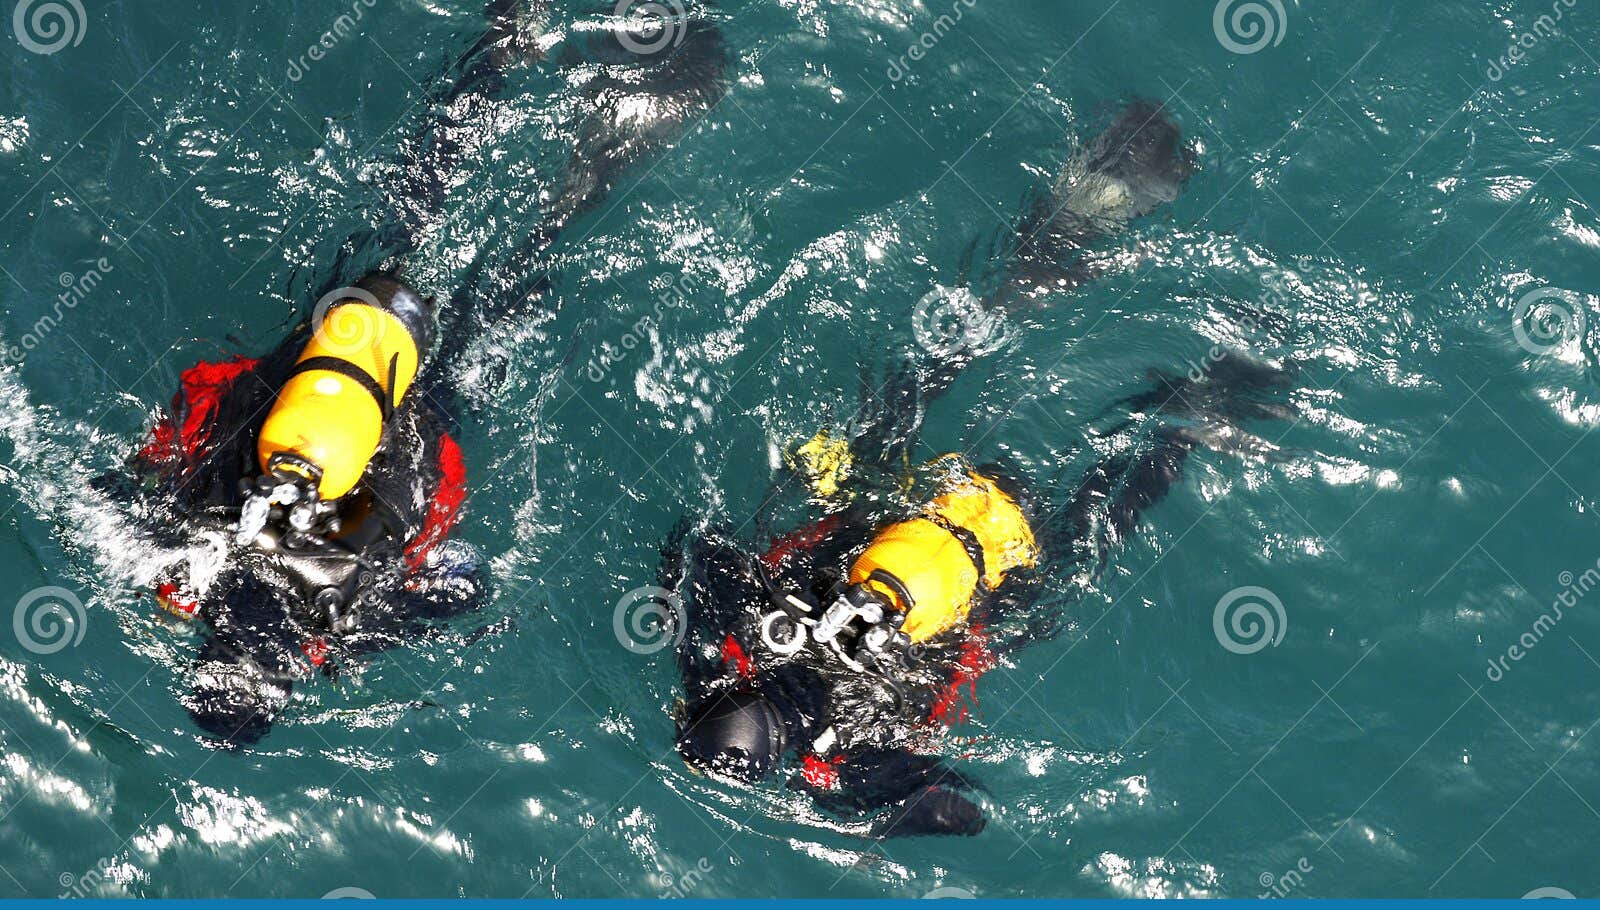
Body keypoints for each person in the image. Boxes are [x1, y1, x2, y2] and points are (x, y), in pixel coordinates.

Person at [662, 101, 1298, 836]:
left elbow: (959, 810)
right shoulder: (742, 632)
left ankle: (1201, 412)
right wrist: (699, 664)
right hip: (897, 510)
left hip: (1000, 569)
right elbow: (695, 542)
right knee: (899, 404)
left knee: (1097, 519)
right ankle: (1067, 230)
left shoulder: (842, 761)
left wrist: (855, 817)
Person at [110, 0, 729, 742]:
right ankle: (501, 50)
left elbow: (462, 578)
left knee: (513, 277)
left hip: (424, 428)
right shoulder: (177, 561)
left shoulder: (344, 629)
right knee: (410, 215)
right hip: (323, 360)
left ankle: (610, 143)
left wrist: (383, 633)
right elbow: (187, 411)